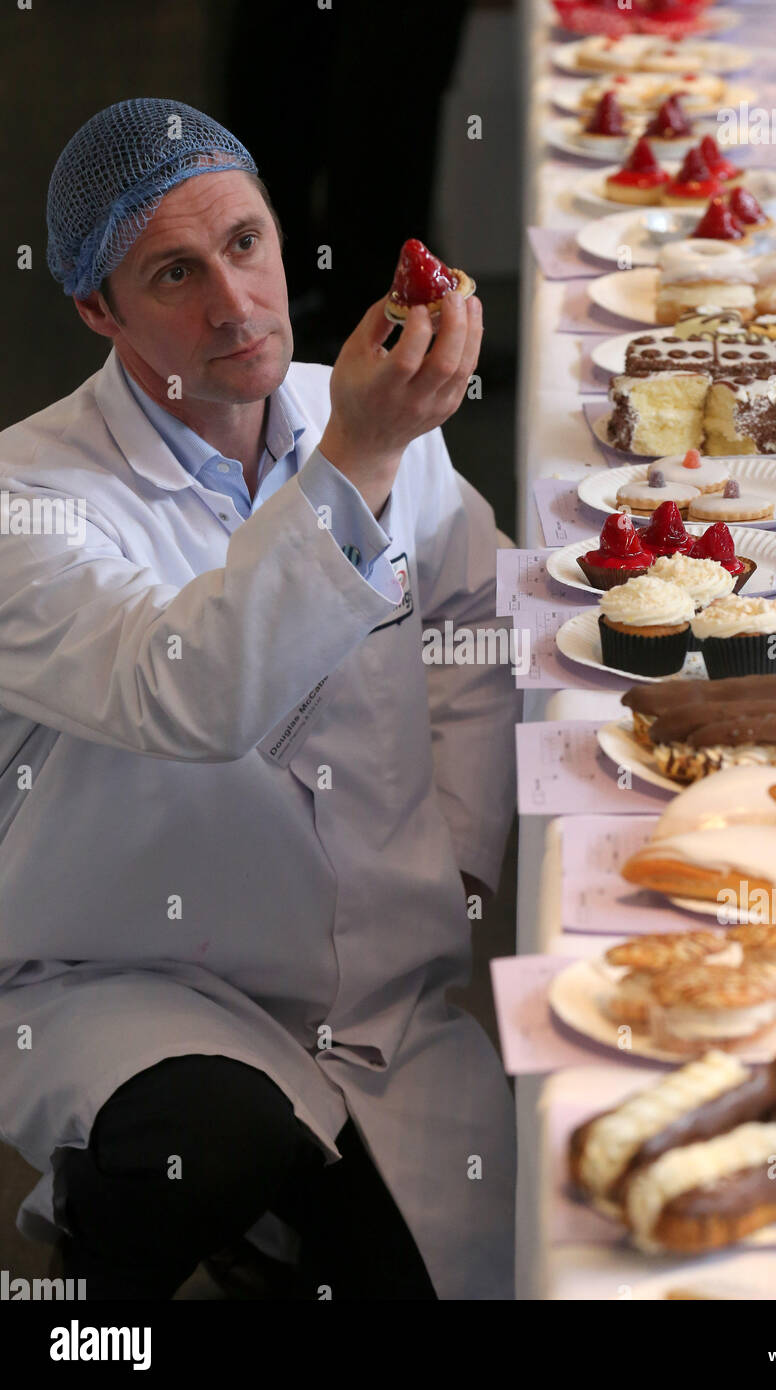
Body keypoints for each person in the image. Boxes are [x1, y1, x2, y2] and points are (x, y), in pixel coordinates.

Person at [0, 98, 518, 1300]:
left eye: (243, 243)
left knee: (475, 1271)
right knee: (207, 1145)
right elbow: (185, 689)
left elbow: (472, 628)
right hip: (134, 975)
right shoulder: (29, 501)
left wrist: (456, 857)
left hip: (379, 998)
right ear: (97, 311)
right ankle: (98, 1284)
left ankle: (277, 1229)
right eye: (173, 273)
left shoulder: (371, 426)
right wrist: (357, 461)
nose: (232, 305)